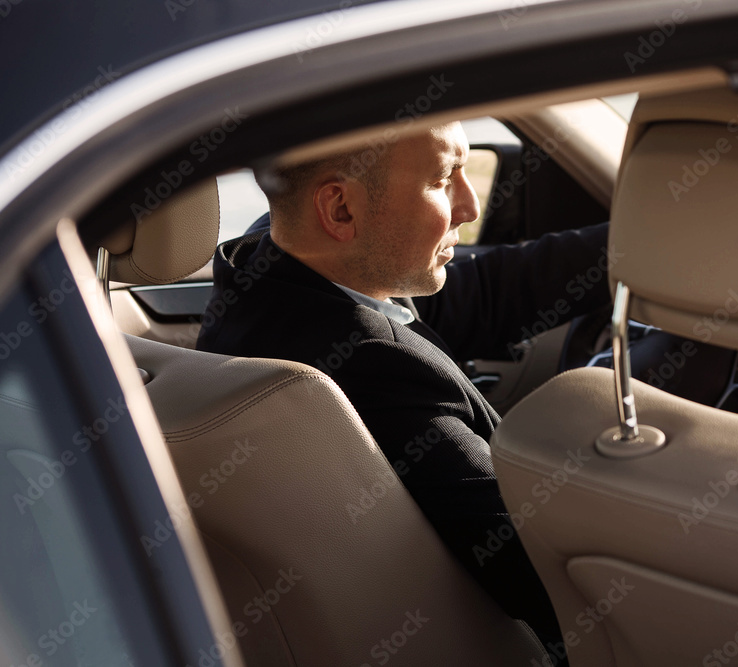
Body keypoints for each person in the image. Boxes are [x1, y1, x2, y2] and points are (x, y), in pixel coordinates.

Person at [197, 121, 611, 652]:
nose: (470, 206)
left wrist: (652, 241)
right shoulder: (374, 367)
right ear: (341, 209)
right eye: (443, 179)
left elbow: (486, 291)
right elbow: (544, 575)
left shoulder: (270, 269)